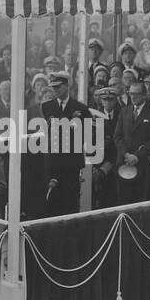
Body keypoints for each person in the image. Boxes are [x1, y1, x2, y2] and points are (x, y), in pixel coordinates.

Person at [41, 71, 92, 216]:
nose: (55, 90)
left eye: (58, 87)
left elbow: (86, 133)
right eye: (53, 87)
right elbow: (55, 126)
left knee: (71, 202)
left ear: (66, 86)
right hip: (53, 161)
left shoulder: (81, 108)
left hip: (71, 162)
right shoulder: (47, 106)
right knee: (53, 202)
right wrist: (71, 118)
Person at [114, 80, 150, 203]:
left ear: (144, 95)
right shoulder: (124, 111)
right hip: (123, 162)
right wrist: (126, 154)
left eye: (136, 94)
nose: (132, 96)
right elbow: (117, 136)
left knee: (139, 200)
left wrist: (137, 156)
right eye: (130, 93)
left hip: (142, 164)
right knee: (123, 200)